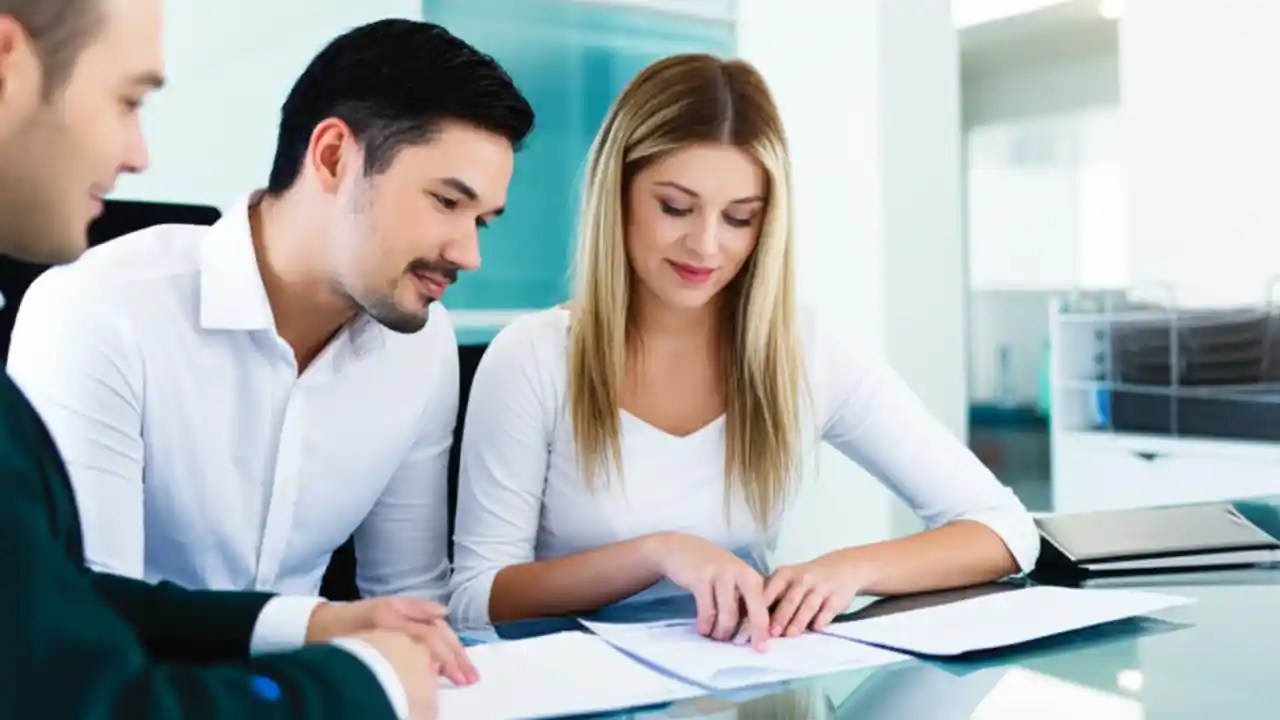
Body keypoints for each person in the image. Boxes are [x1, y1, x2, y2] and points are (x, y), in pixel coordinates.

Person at [449, 54, 1040, 646]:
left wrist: (850, 569)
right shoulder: (532, 356)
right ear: (618, 195)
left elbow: (1005, 529)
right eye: (676, 207)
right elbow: (478, 599)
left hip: (739, 684)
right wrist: (659, 554)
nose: (705, 245)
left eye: (739, 218)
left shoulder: (806, 355)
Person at [8, 17, 533, 683]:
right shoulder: (102, 310)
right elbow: (90, 625)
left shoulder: (421, 346)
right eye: (446, 201)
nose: (469, 253)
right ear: (335, 156)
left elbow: (408, 601)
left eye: (481, 219)